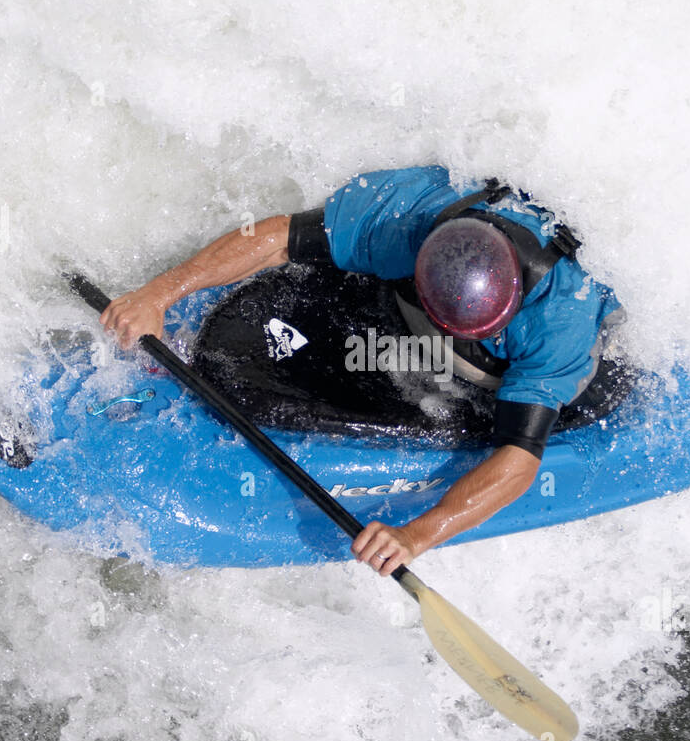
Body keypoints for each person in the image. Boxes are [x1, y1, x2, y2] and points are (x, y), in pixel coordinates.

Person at [100, 165, 623, 575]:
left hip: (513, 368)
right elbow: (280, 237)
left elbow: (519, 457)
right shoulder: (408, 211)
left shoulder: (561, 320)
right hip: (409, 306)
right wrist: (158, 294)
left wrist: (416, 535)